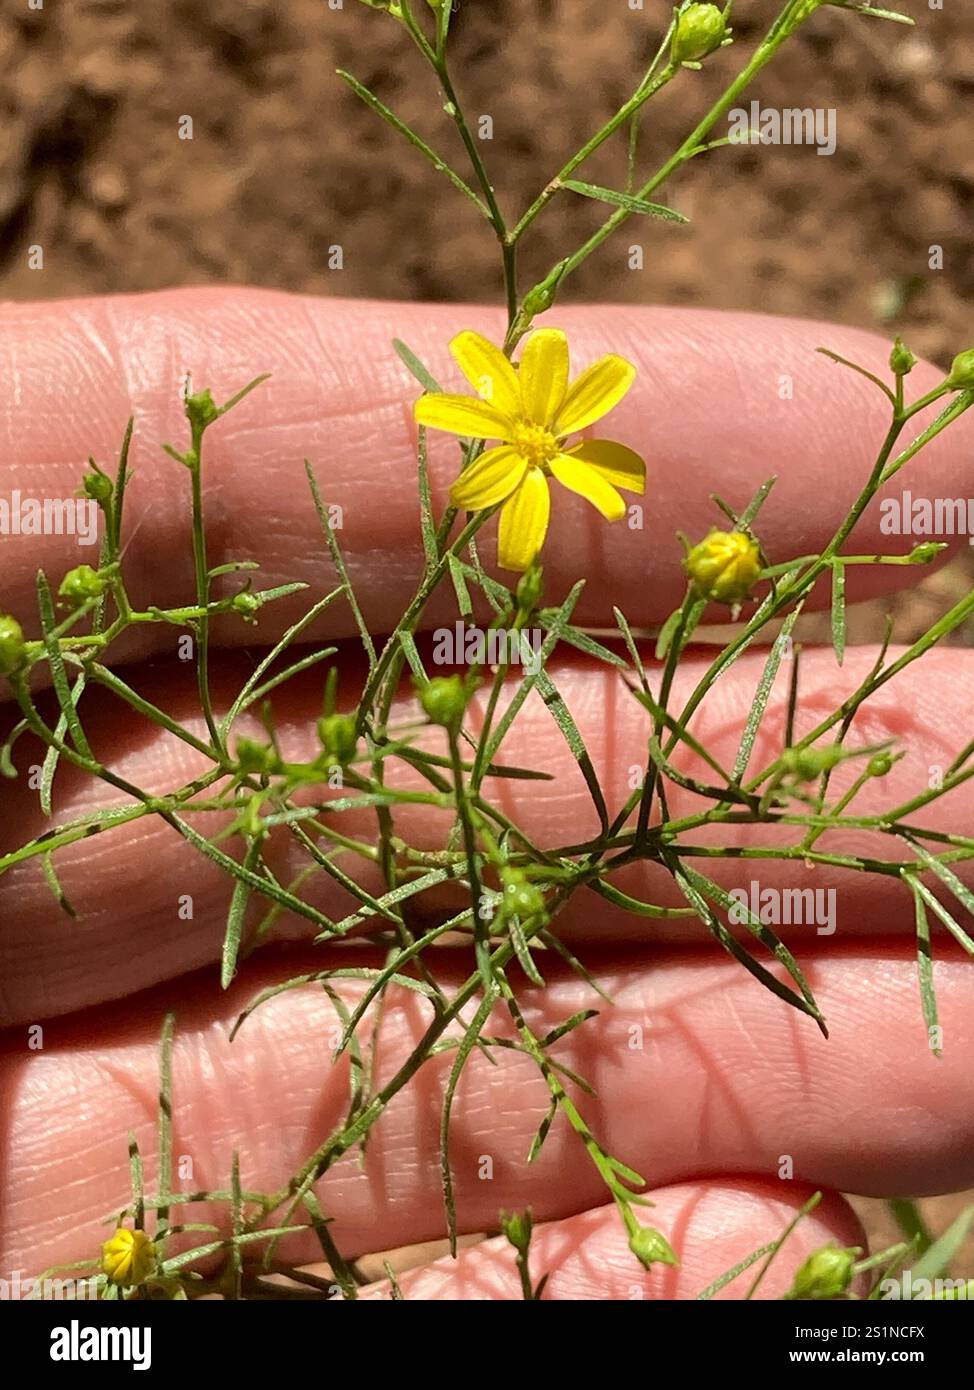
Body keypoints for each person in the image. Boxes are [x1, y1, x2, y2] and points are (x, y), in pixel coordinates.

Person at [1, 288, 972, 1299]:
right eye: (535, 427)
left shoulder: (567, 467)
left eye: (552, 431)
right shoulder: (487, 444)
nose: (547, 433)